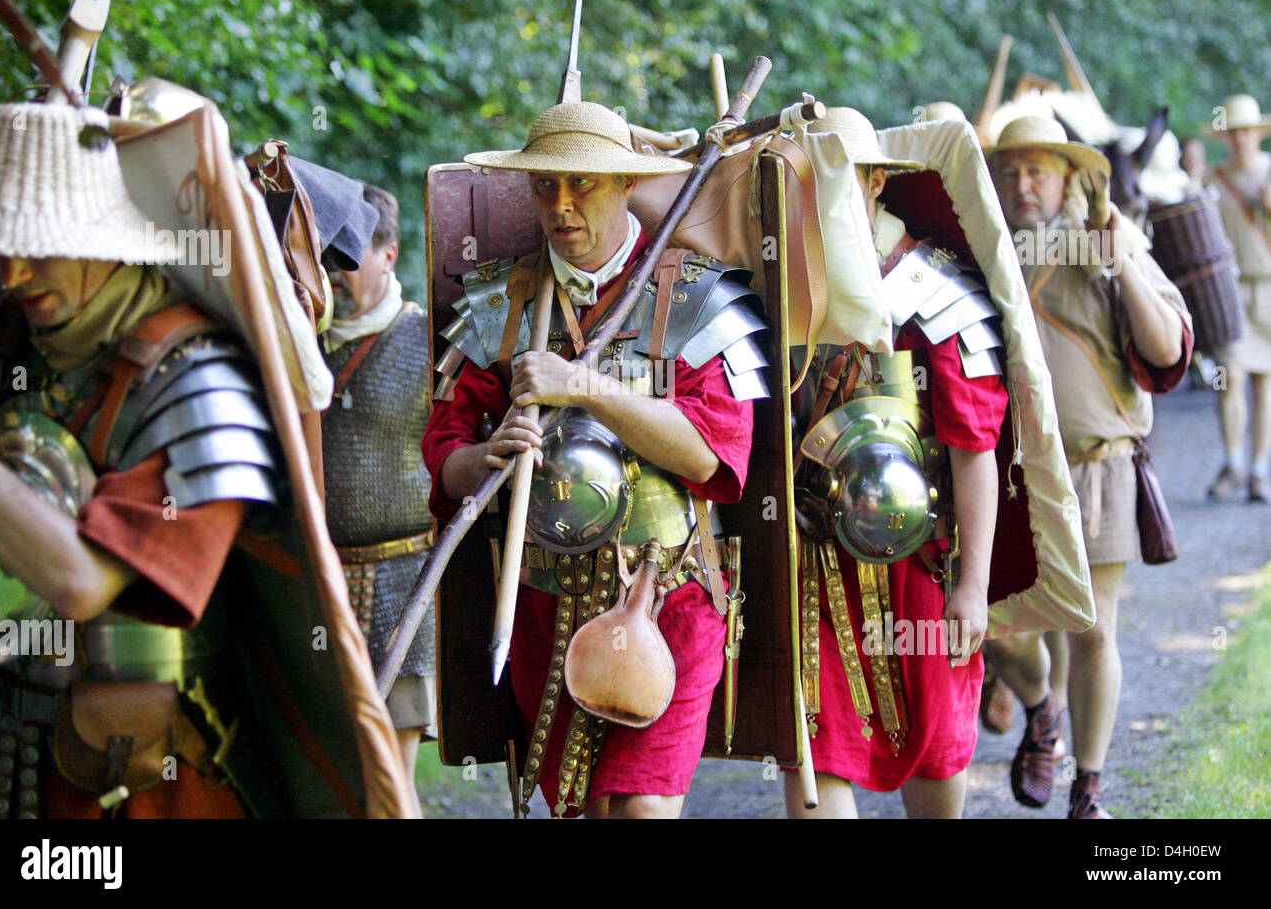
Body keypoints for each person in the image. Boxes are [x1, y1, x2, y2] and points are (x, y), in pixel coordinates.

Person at [421, 100, 768, 819]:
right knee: (577, 812)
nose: (561, 204)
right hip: (544, 603)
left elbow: (712, 456)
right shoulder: (501, 300)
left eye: (583, 184)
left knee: (641, 809)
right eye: (546, 185)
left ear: (622, 182)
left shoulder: (697, 295)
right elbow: (443, 455)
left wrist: (581, 384)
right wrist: (487, 458)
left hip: (666, 592)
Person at [0, 102, 277, 817]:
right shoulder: (6, 339)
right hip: (1, 748)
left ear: (105, 238)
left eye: (39, 244)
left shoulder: (197, 382)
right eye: (1, 244)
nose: (14, 270)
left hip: (142, 781)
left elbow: (79, 583)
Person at [783, 109, 1007, 819]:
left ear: (877, 182)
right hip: (809, 563)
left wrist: (972, 585)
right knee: (815, 750)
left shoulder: (936, 292)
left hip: (920, 561)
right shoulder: (775, 286)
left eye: (838, 180)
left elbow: (974, 449)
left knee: (936, 746)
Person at [985, 114, 1192, 818]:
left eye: (1038, 170)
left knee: (1094, 629)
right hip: (1007, 476)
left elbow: (1166, 351)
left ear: (1068, 177)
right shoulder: (978, 249)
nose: (1023, 184)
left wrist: (1124, 261)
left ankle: (1089, 785)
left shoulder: (1112, 237)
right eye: (1010, 170)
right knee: (1002, 631)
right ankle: (1042, 710)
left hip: (1098, 467)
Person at [319, 182, 436, 818]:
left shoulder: (428, 343)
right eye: (327, 258)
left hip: (401, 590)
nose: (335, 274)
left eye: (350, 256)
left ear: (388, 254)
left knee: (390, 786)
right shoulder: (305, 343)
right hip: (321, 590)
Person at [1204, 94, 1271, 502]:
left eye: (1247, 131)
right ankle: (1233, 461)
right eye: (1234, 132)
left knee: (1265, 384)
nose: (1241, 139)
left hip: (1269, 287)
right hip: (1228, 290)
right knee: (1229, 377)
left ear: (1257, 134)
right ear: (1225, 137)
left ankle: (1259, 469)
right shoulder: (1213, 180)